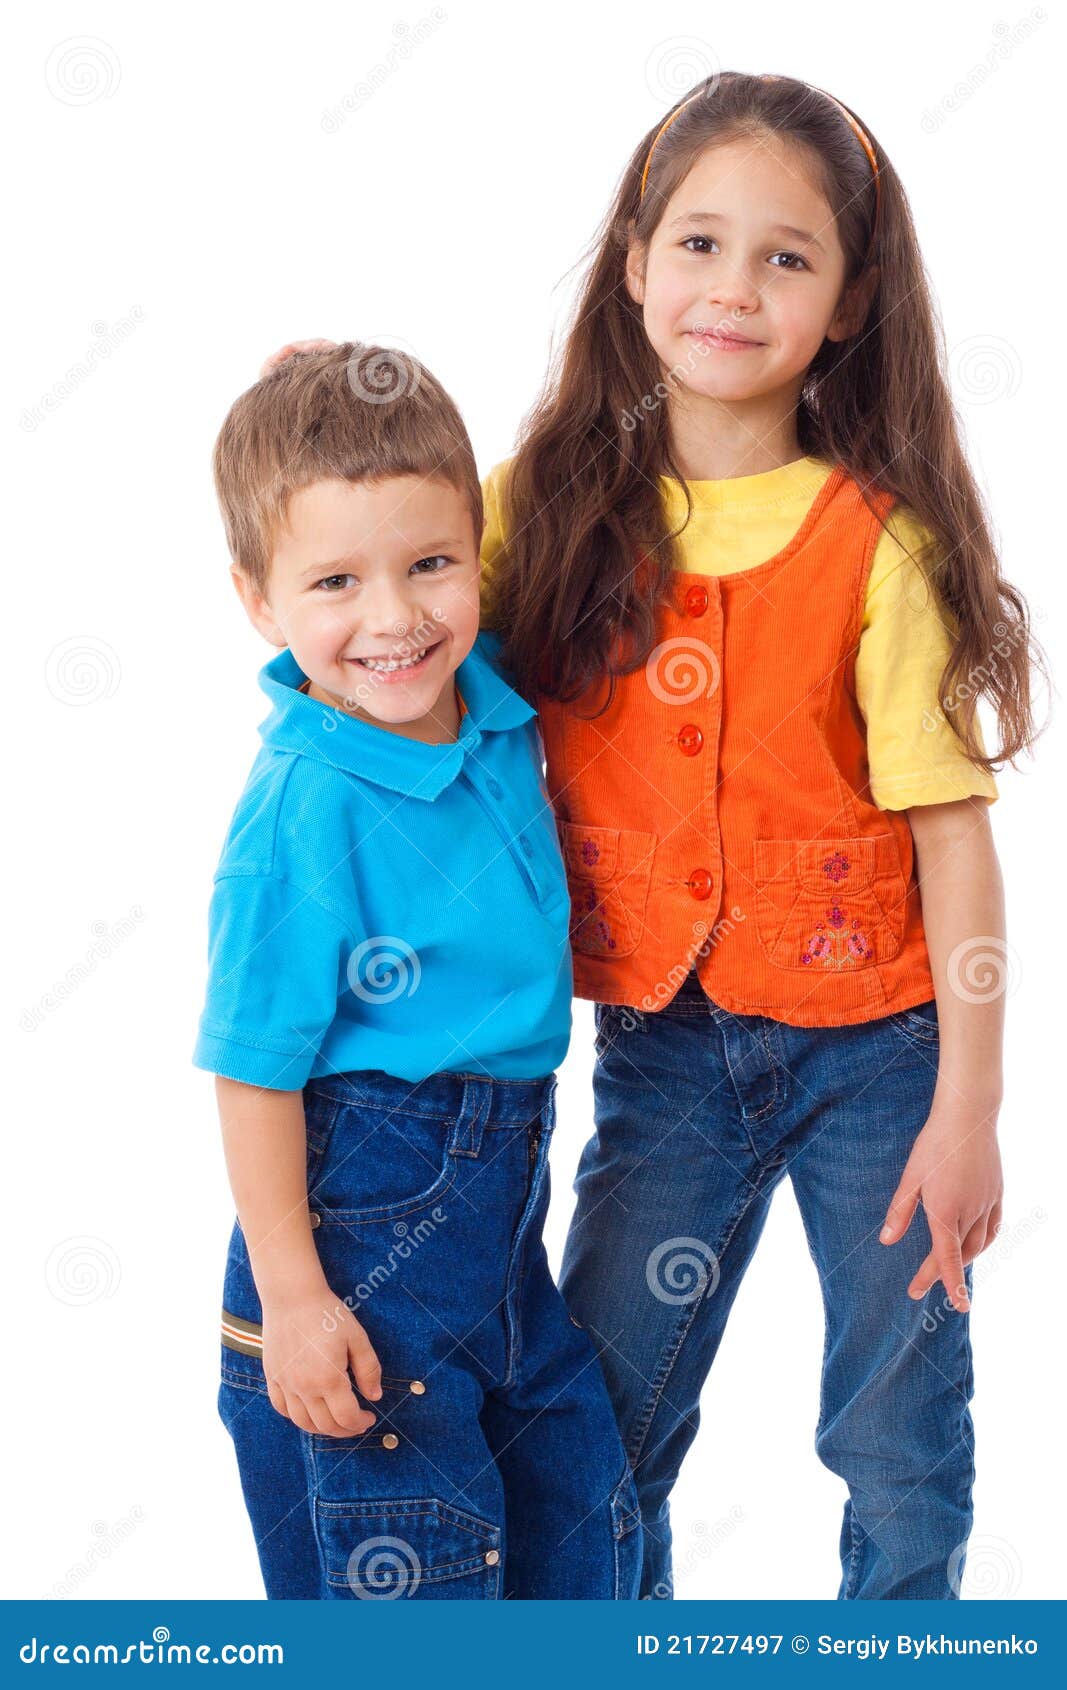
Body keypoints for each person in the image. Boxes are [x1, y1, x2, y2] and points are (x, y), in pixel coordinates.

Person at [476, 72, 1040, 1599]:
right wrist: (312, 430)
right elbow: (372, 598)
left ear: (849, 301)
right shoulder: (541, 506)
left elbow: (953, 842)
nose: (733, 287)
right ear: (632, 263)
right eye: (699, 243)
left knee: (895, 1428)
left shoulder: (879, 541)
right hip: (665, 1047)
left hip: (880, 1049)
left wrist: (968, 1108)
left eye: (786, 257)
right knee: (600, 1419)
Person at [193, 343, 641, 1600]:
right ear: (258, 600)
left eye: (429, 564)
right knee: (417, 1573)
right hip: (356, 1228)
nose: (392, 618)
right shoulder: (304, 807)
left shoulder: (480, 690)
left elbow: (541, 497)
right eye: (334, 580)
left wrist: (327, 385)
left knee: (579, 1527)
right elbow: (250, 1071)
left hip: (498, 1224)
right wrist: (293, 1298)